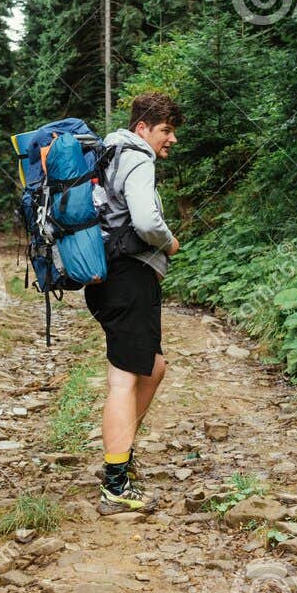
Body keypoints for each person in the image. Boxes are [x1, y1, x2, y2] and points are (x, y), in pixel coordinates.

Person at [85, 91, 183, 515]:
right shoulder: (138, 158)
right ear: (143, 128)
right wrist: (170, 241)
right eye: (166, 130)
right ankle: (116, 484)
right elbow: (144, 220)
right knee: (123, 380)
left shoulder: (110, 152)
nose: (172, 139)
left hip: (113, 278)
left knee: (153, 367)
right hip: (127, 278)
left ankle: (119, 453)